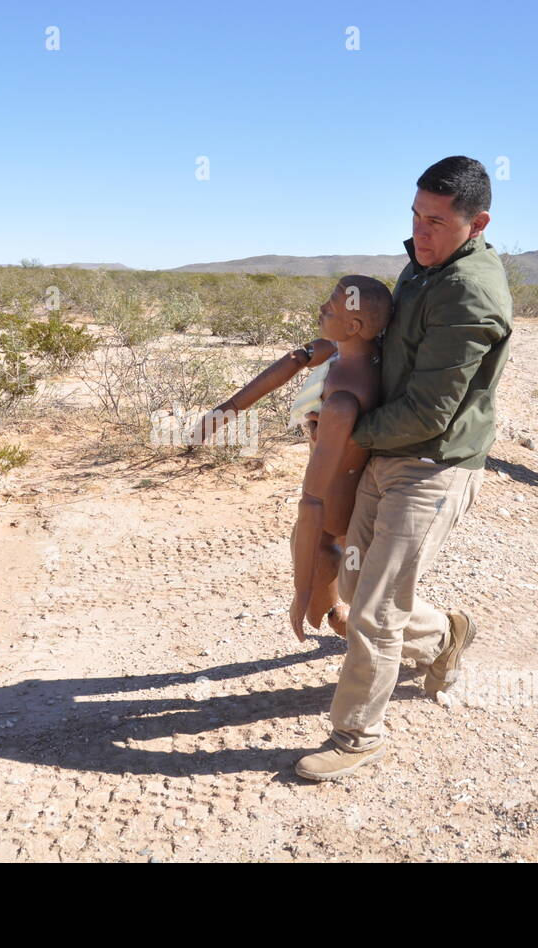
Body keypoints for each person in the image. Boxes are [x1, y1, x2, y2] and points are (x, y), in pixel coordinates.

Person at [295, 156, 514, 782]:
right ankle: (444, 635)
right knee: (362, 586)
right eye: (416, 217)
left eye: (438, 222)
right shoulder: (422, 268)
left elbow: (432, 410)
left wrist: (344, 434)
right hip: (387, 453)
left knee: (374, 611)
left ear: (478, 224)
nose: (421, 233)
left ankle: (356, 736)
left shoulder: (470, 293)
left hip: (432, 464)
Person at [192, 276, 393, 636]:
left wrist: (300, 593)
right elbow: (296, 359)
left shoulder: (344, 397)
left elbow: (312, 501)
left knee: (349, 596)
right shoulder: (351, 353)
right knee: (345, 589)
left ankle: (431, 642)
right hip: (344, 505)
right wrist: (226, 411)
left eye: (330, 307)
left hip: (336, 511)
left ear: (354, 325)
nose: (321, 309)